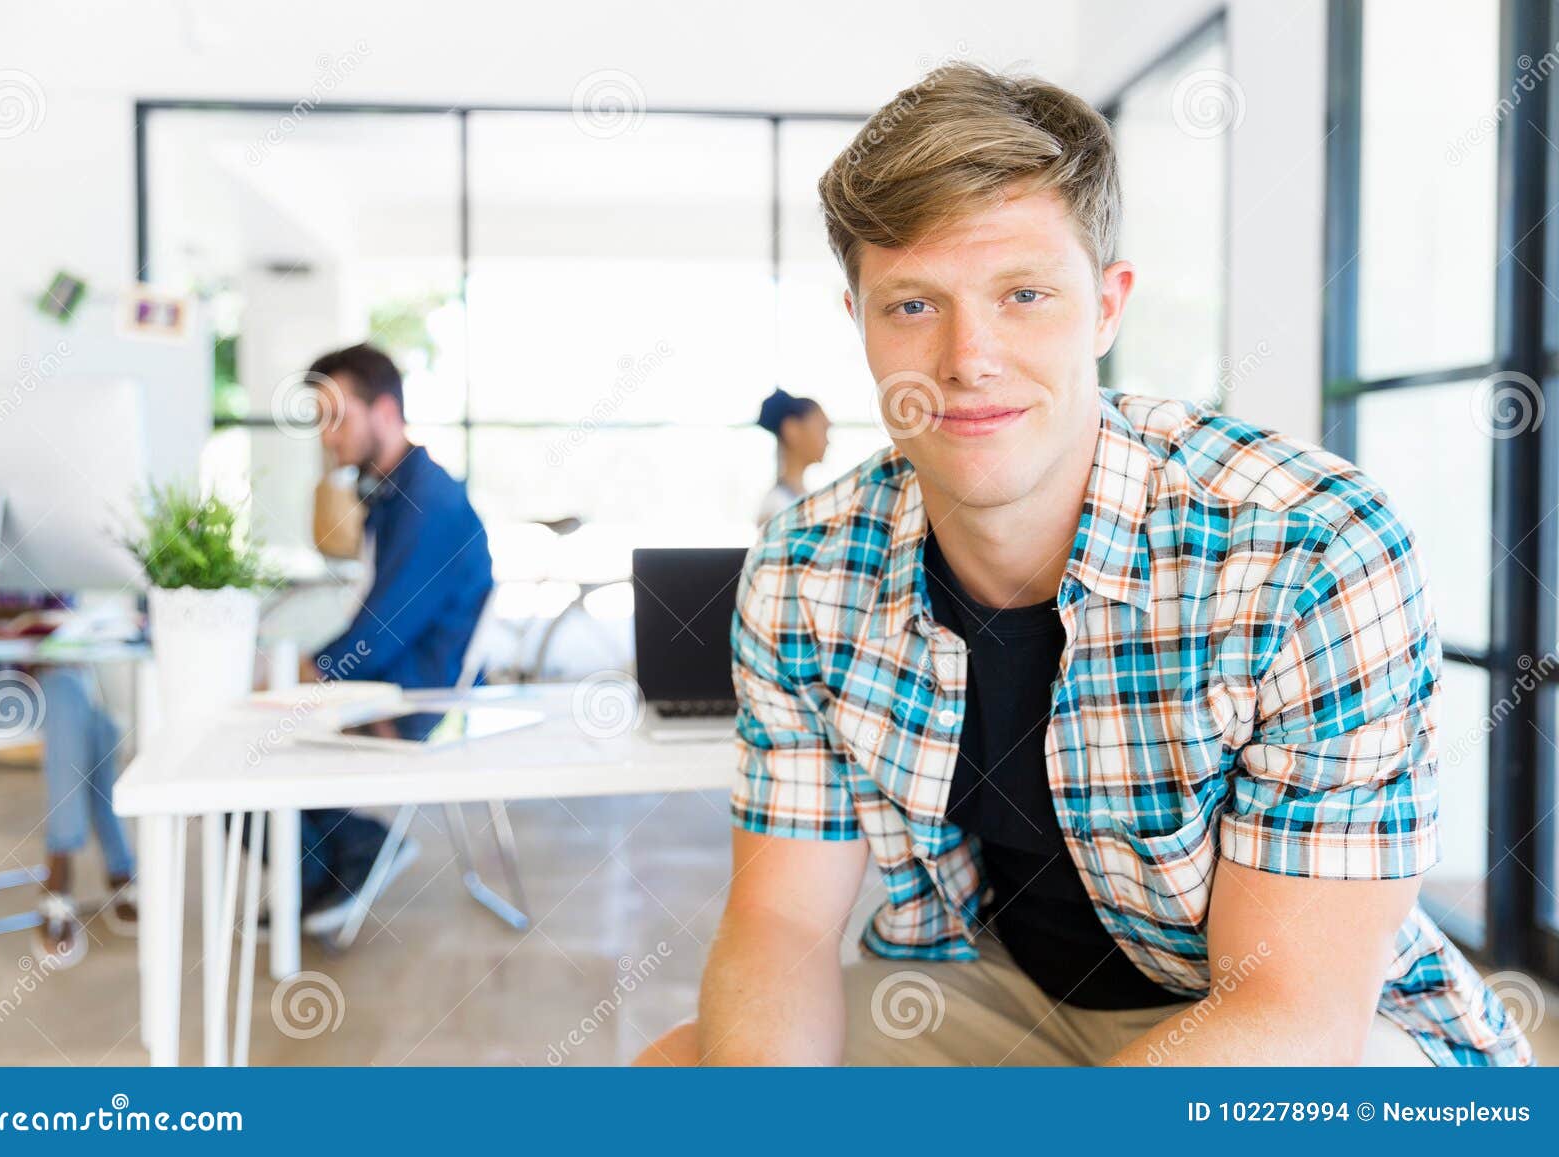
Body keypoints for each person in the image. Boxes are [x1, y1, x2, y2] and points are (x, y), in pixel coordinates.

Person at [639, 64, 1531, 1067]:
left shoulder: (1311, 549)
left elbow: (1294, 1013)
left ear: (1106, 308)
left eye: (1024, 293)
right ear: (857, 320)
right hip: (996, 994)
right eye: (912, 306)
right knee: (681, 1077)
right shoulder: (805, 568)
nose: (969, 357)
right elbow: (783, 928)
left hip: (1309, 1033)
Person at [294, 343, 493, 935]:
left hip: (422, 697)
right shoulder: (393, 490)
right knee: (261, 729)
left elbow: (381, 630)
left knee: (256, 744)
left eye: (337, 419)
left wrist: (315, 672)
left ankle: (361, 850)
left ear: (383, 411)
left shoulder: (426, 501)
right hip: (400, 678)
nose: (327, 439)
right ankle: (326, 880)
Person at [0, 650, 135, 967]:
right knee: (80, 708)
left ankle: (66, 879)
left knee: (90, 713)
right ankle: (107, 871)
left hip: (36, 685)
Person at [754, 389, 831, 525]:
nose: (827, 441)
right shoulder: (775, 507)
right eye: (822, 428)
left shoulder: (802, 497)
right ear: (792, 430)